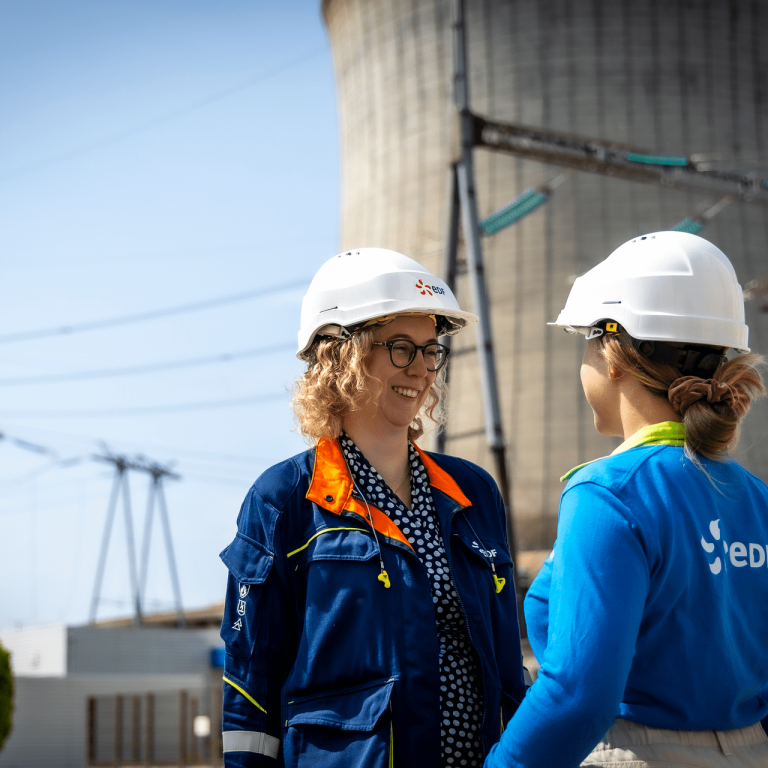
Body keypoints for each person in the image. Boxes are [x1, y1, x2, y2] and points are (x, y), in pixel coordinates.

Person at [219, 248, 527, 767]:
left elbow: (507, 670)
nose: (423, 369)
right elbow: (251, 683)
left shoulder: (473, 492)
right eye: (402, 348)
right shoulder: (286, 499)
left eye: (432, 351)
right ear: (342, 354)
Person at [485, 231, 768, 768]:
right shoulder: (757, 499)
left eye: (586, 344)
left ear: (613, 353)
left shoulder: (608, 495)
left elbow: (577, 694)